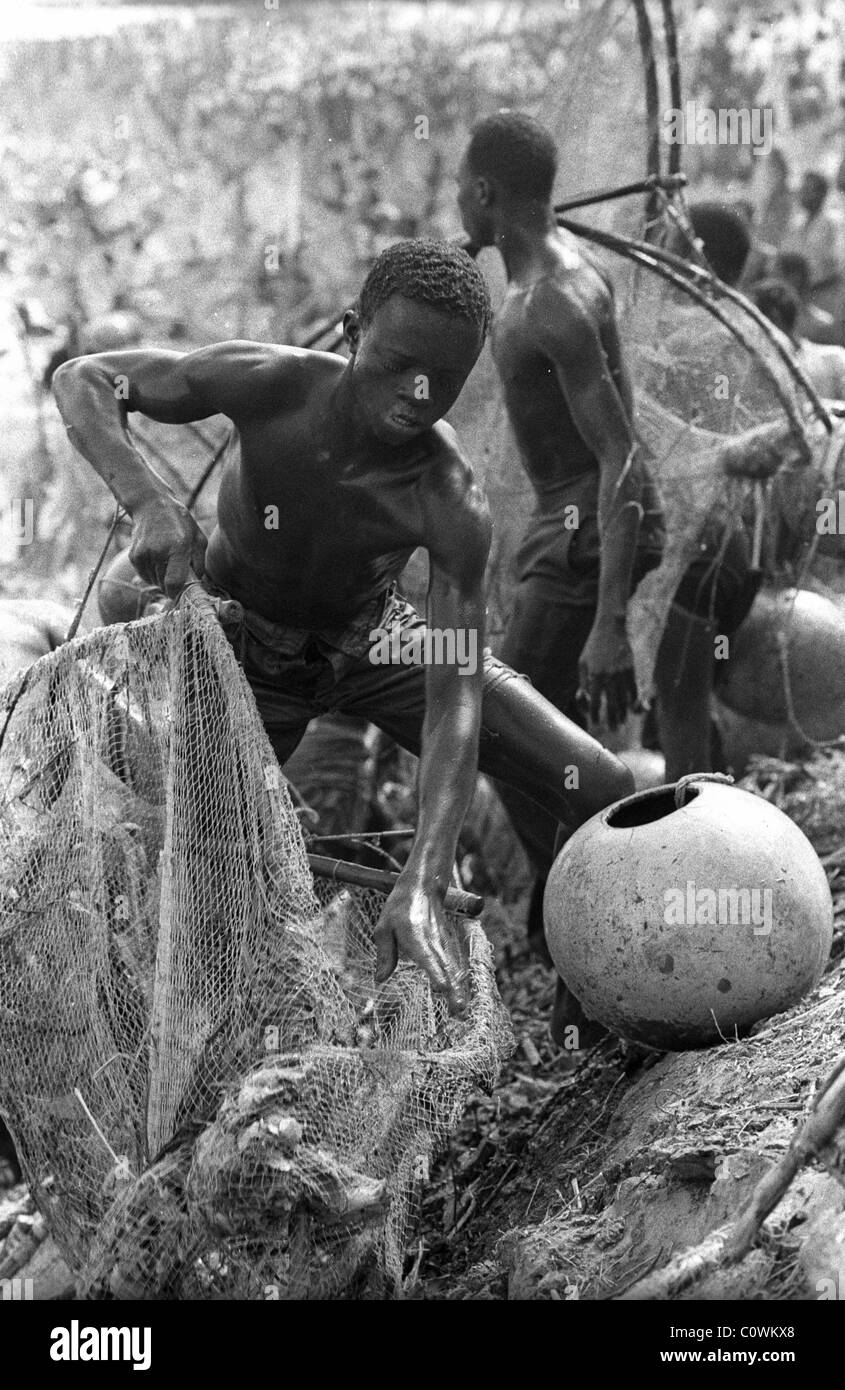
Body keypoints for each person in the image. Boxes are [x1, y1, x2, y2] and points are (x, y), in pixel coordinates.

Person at [53, 237, 633, 1030]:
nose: (416, 394)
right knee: (205, 900)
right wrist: (147, 498)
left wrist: (425, 874)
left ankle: (592, 992)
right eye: (397, 362)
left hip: (375, 638)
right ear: (354, 331)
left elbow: (452, 694)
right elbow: (84, 378)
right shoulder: (273, 384)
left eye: (443, 381)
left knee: (595, 783)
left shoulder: (446, 496)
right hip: (235, 647)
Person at [456, 117, 776, 994]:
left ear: (484, 192)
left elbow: (621, 459)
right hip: (562, 536)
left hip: (584, 536)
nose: (455, 202)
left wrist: (605, 622)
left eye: (460, 187)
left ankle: (589, 913)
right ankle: (589, 925)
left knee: (497, 724)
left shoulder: (550, 300)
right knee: (534, 732)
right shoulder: (539, 277)